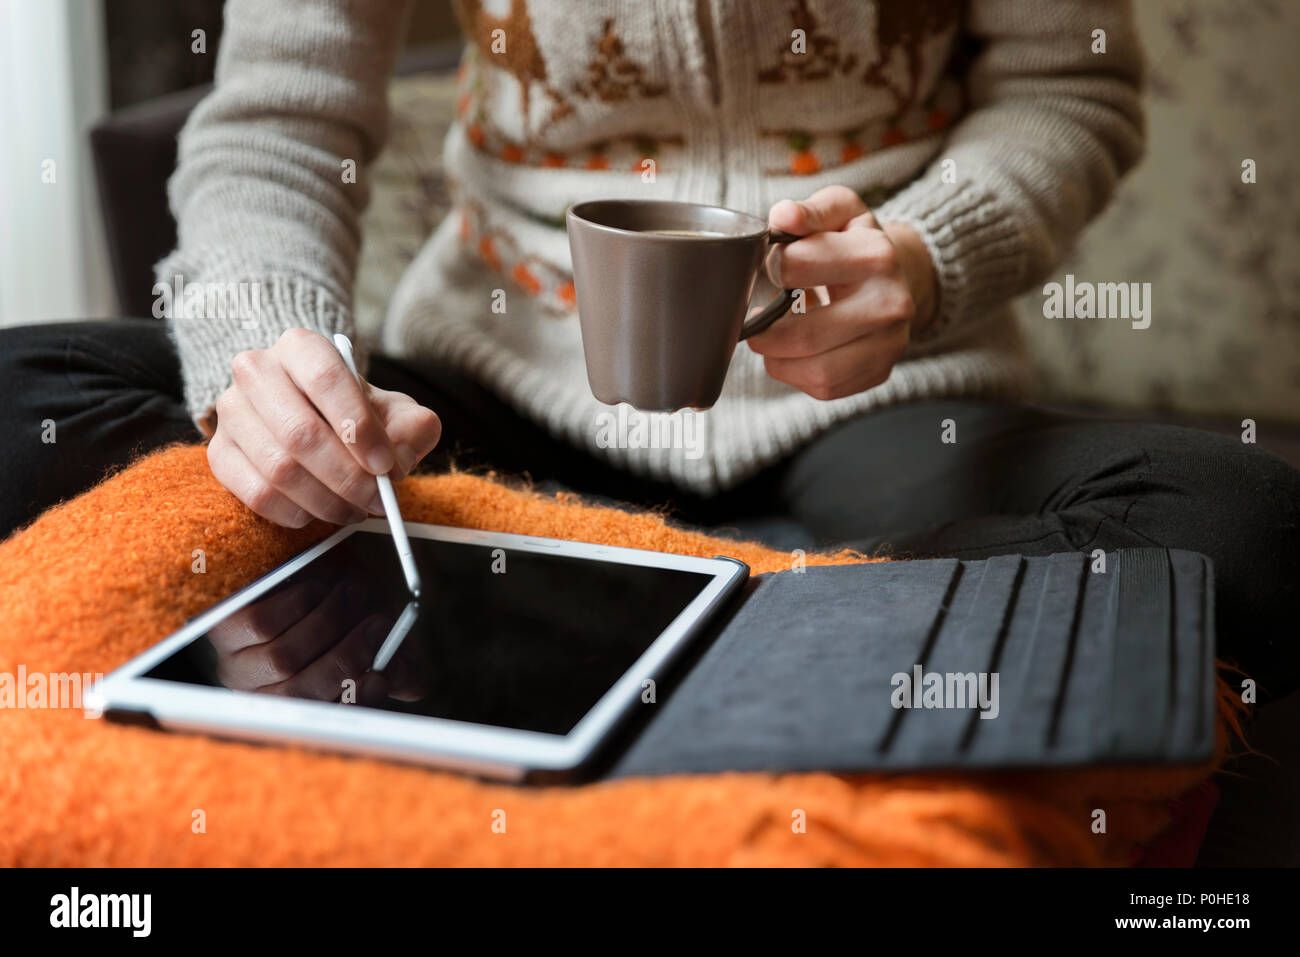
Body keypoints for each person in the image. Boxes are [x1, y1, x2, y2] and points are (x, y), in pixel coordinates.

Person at [1, 0, 1297, 699]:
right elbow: (279, 128)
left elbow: (1072, 87)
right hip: (499, 407)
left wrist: (922, 256)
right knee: (24, 393)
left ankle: (607, 627)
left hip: (883, 415)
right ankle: (796, 641)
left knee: (1240, 518)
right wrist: (265, 355)